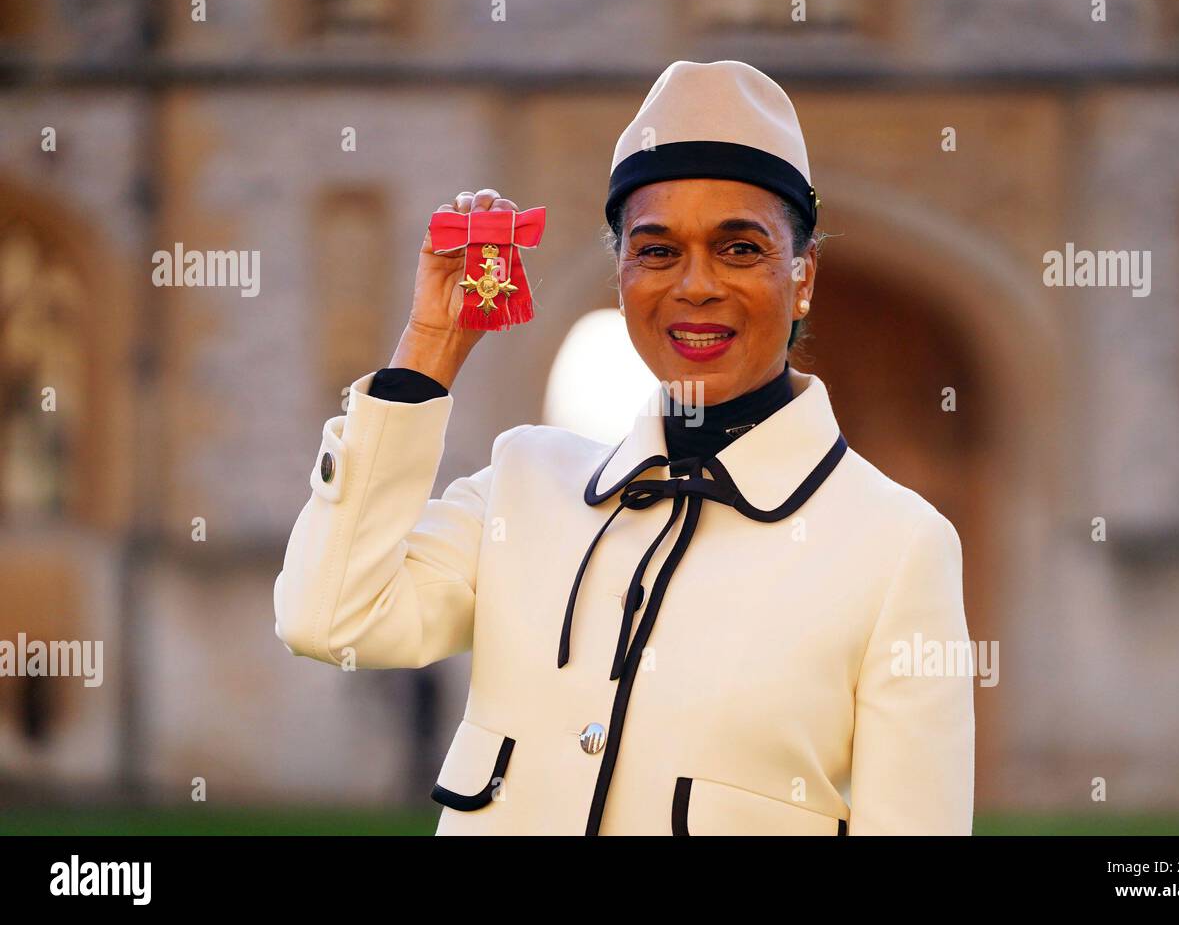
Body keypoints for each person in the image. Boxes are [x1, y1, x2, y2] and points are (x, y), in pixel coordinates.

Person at [274, 59, 974, 835]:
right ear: (620, 275)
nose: (696, 285)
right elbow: (329, 619)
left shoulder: (897, 546)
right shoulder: (524, 485)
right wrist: (430, 346)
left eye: (739, 248)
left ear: (803, 277)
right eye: (657, 250)